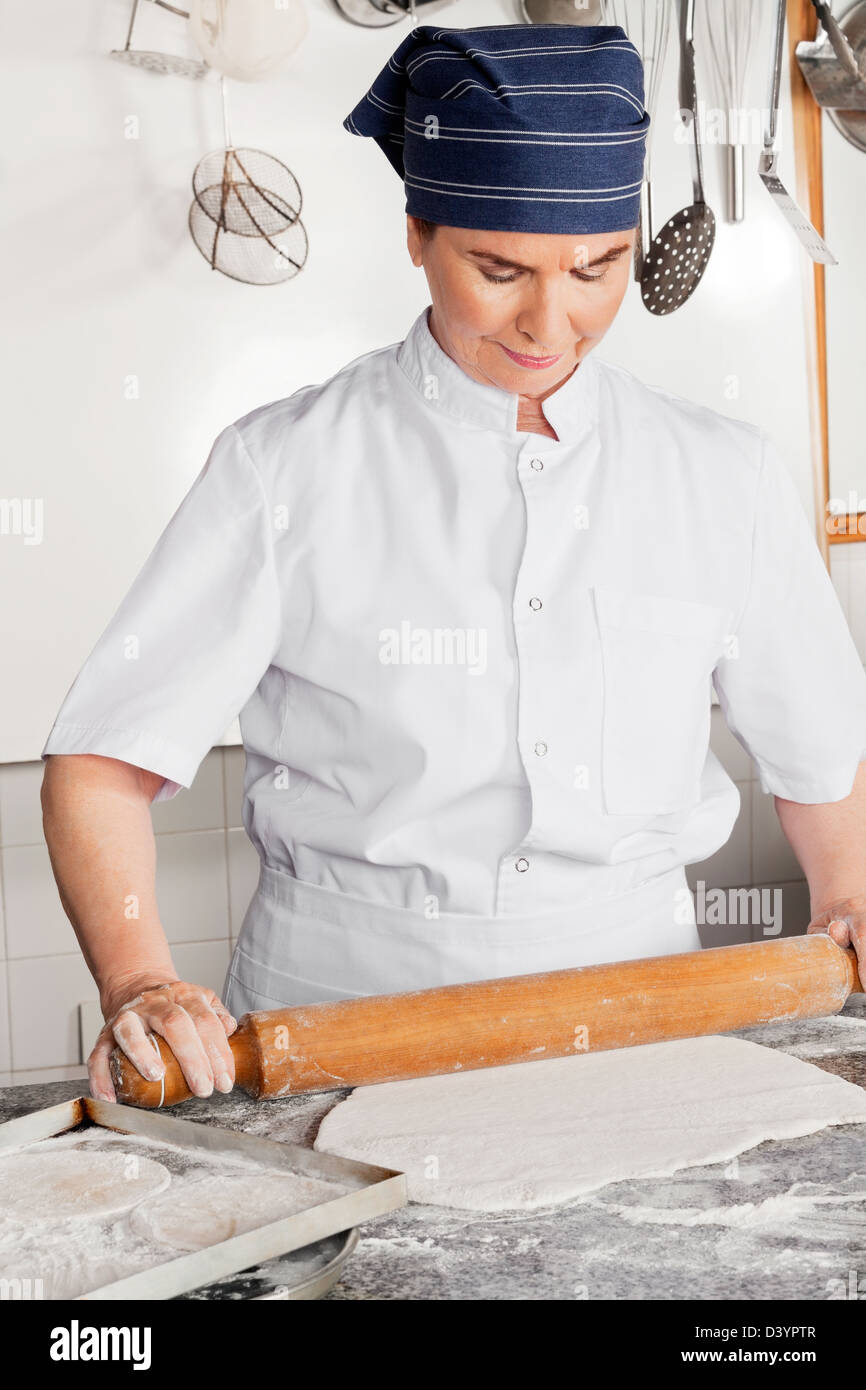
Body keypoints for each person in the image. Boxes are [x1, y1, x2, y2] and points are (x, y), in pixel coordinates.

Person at [41, 24, 866, 1106]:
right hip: (332, 1033)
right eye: (498, 269)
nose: (549, 321)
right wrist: (140, 978)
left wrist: (845, 899)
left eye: (595, 269)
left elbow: (821, 755)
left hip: (644, 1031)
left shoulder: (721, 475)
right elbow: (99, 763)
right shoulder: (282, 466)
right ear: (416, 234)